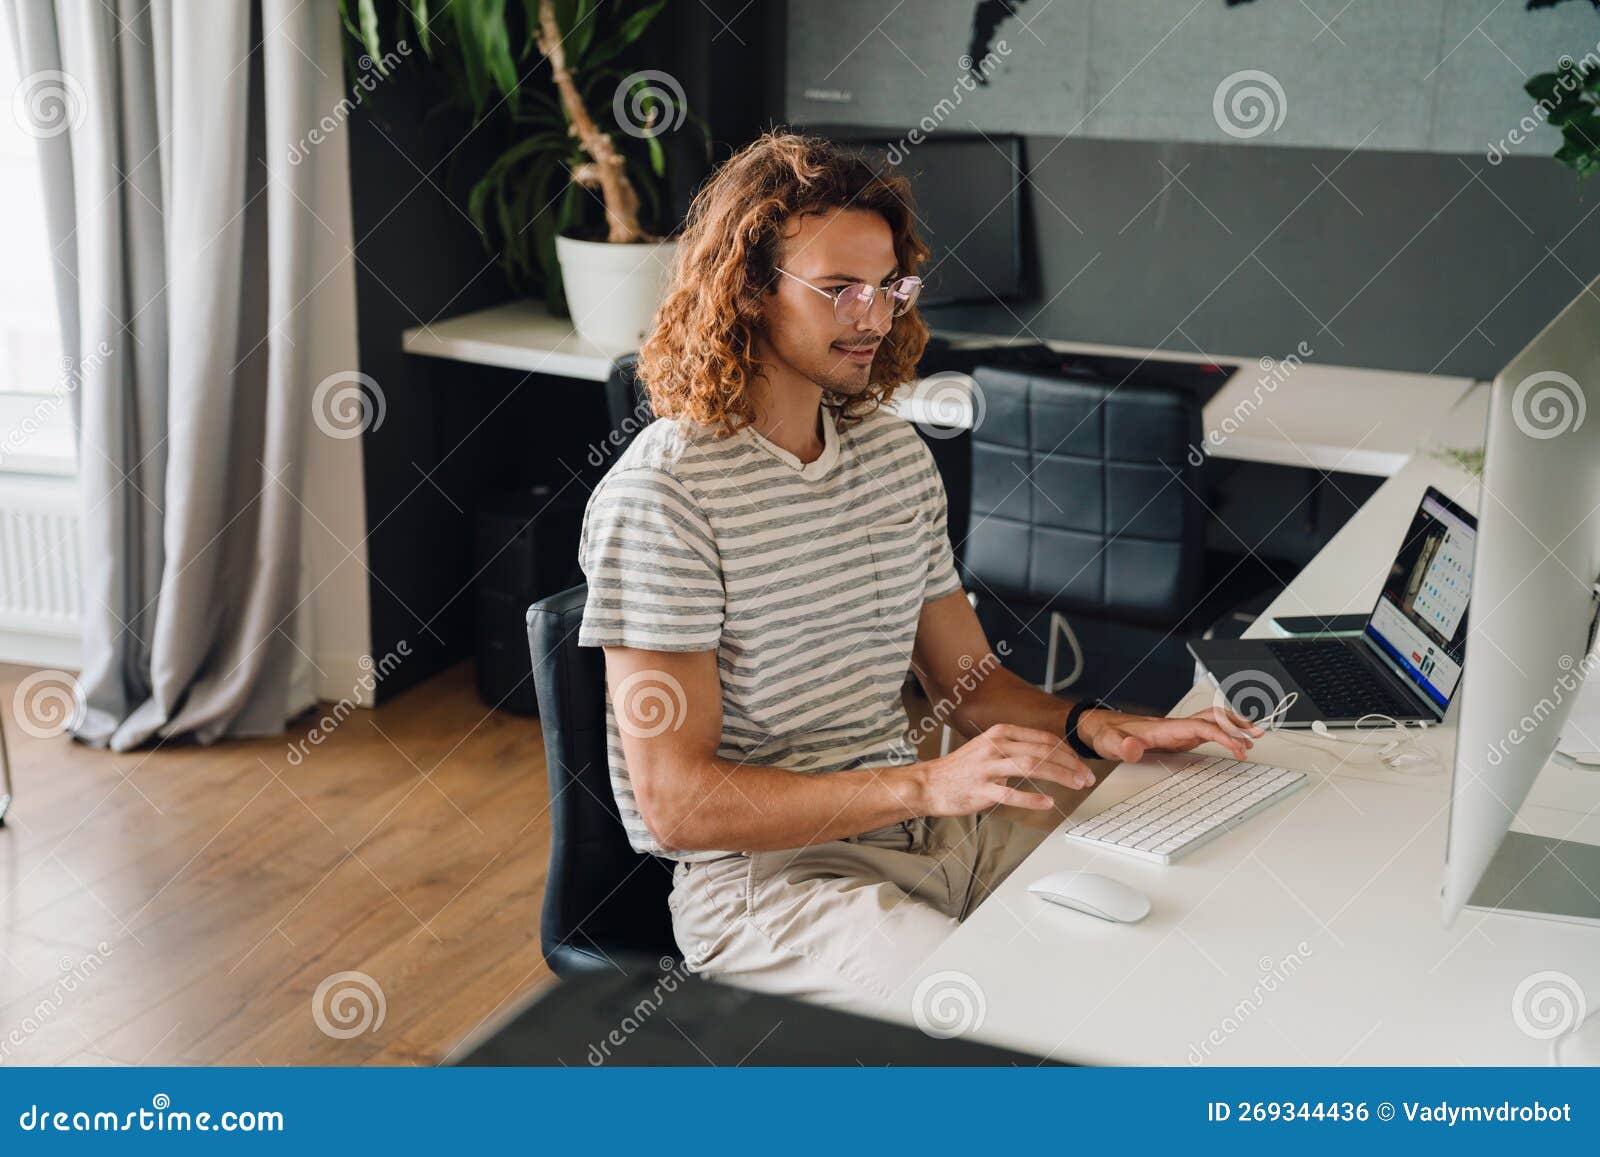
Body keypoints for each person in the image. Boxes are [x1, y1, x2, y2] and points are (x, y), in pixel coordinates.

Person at [576, 131, 1262, 1019]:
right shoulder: (663, 497)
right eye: (839, 290)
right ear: (746, 288)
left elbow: (969, 685)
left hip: (929, 829)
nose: (873, 316)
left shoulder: (891, 454)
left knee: (1181, 915)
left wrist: (1100, 724)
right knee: (1001, 1016)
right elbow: (677, 806)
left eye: (891, 287)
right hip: (775, 885)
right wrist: (926, 783)